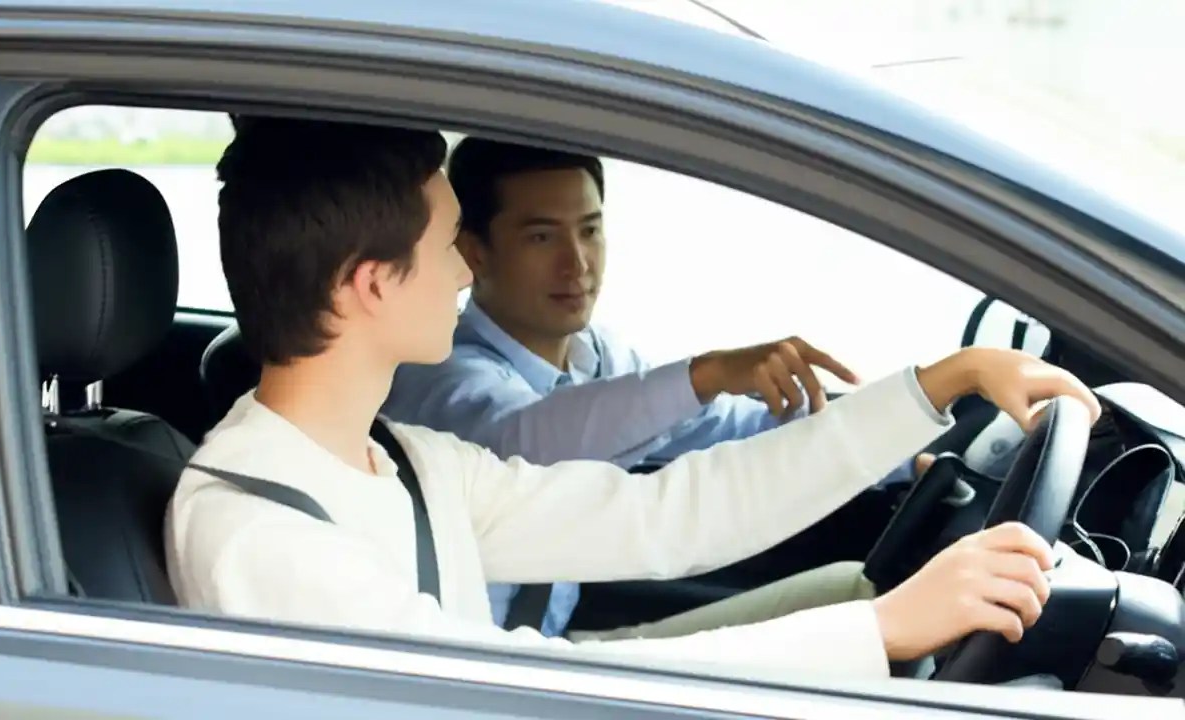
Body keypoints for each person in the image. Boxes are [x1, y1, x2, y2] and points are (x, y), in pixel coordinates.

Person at [165, 116, 1100, 681]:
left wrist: (936, 384)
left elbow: (671, 514)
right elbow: (517, 692)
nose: (465, 271)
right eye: (452, 244)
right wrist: (881, 628)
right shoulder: (259, 532)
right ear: (371, 284)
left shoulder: (403, 461)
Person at [381, 138, 928, 636]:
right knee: (871, 627)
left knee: (854, 594)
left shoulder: (595, 355)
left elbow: (725, 427)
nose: (577, 264)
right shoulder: (440, 372)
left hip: (557, 644)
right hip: (480, 668)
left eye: (589, 230)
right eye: (542, 237)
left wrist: (904, 454)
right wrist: (706, 374)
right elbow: (527, 446)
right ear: (475, 253)